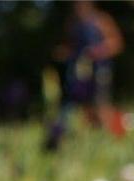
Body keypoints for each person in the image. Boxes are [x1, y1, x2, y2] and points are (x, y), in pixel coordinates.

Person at [48, 0, 125, 147]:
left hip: (100, 69)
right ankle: (90, 138)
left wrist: (99, 51)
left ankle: (114, 137)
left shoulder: (101, 20)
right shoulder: (72, 23)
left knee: (101, 102)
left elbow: (117, 43)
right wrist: (64, 53)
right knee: (83, 105)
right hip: (79, 71)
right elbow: (71, 46)